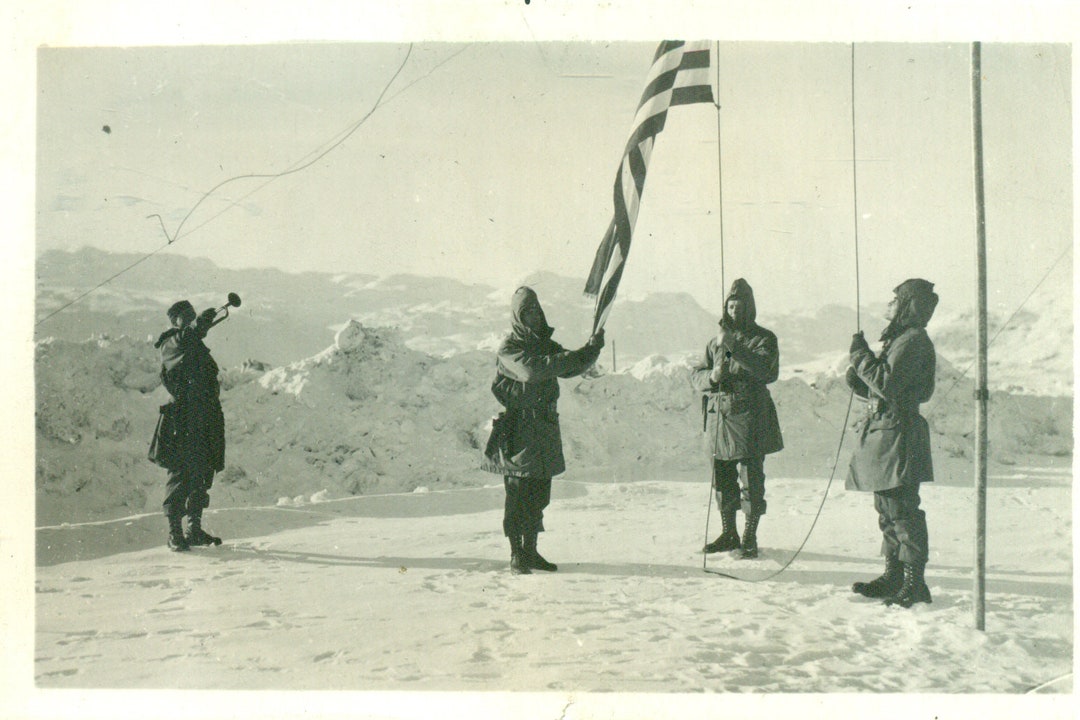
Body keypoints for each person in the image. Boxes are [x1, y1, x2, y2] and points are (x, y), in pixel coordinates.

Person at [486, 286, 604, 575]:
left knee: (539, 494)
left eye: (537, 311)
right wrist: (574, 356)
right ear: (517, 316)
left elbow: (571, 366)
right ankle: (516, 554)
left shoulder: (547, 347)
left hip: (544, 427)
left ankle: (531, 550)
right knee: (517, 494)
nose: (535, 317)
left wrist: (592, 349)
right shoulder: (509, 349)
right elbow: (532, 371)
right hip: (518, 429)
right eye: (527, 312)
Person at [846, 278, 938, 608]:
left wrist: (860, 356)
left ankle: (915, 584)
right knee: (887, 508)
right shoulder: (902, 339)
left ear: (908, 305)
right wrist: (860, 377)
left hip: (898, 432)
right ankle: (895, 576)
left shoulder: (912, 340)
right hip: (887, 431)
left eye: (895, 298)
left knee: (902, 510)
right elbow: (882, 384)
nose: (890, 304)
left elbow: (888, 383)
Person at [691, 278, 783, 559]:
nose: (733, 311)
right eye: (730, 306)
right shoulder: (714, 342)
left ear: (749, 308)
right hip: (719, 418)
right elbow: (696, 375)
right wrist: (711, 377)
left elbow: (767, 371)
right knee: (722, 477)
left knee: (751, 478)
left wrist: (734, 348)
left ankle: (749, 536)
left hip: (749, 418)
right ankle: (729, 532)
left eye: (739, 306)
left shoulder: (764, 338)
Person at [153, 300, 226, 551]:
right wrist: (196, 325)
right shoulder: (171, 343)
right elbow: (187, 335)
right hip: (183, 419)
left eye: (193, 314)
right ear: (175, 321)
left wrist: (196, 327)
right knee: (179, 475)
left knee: (202, 474)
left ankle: (193, 528)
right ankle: (174, 532)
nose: (191, 318)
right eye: (186, 316)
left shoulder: (193, 343)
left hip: (205, 417)